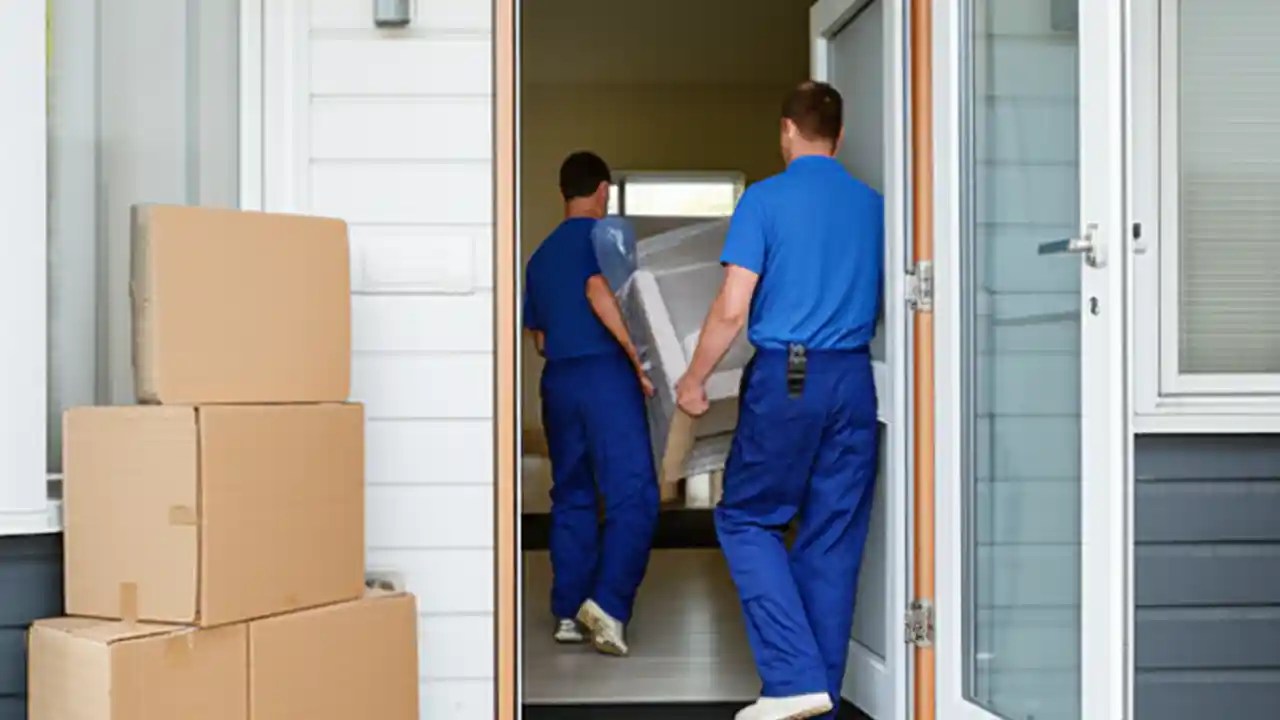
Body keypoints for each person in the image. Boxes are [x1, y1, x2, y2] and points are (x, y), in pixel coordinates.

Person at [675, 81, 883, 720]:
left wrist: (694, 377)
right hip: (853, 379)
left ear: (787, 130)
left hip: (789, 378)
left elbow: (732, 308)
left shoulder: (764, 201)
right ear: (839, 136)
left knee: (746, 518)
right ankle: (817, 695)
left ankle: (792, 678)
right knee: (831, 536)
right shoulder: (874, 205)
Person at [524, 151, 659, 657]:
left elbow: (537, 336)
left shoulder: (538, 257)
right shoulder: (608, 238)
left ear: (564, 191)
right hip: (605, 376)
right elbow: (599, 289)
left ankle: (567, 610)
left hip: (559, 380)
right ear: (603, 190)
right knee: (634, 495)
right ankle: (607, 604)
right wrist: (636, 359)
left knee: (573, 493)